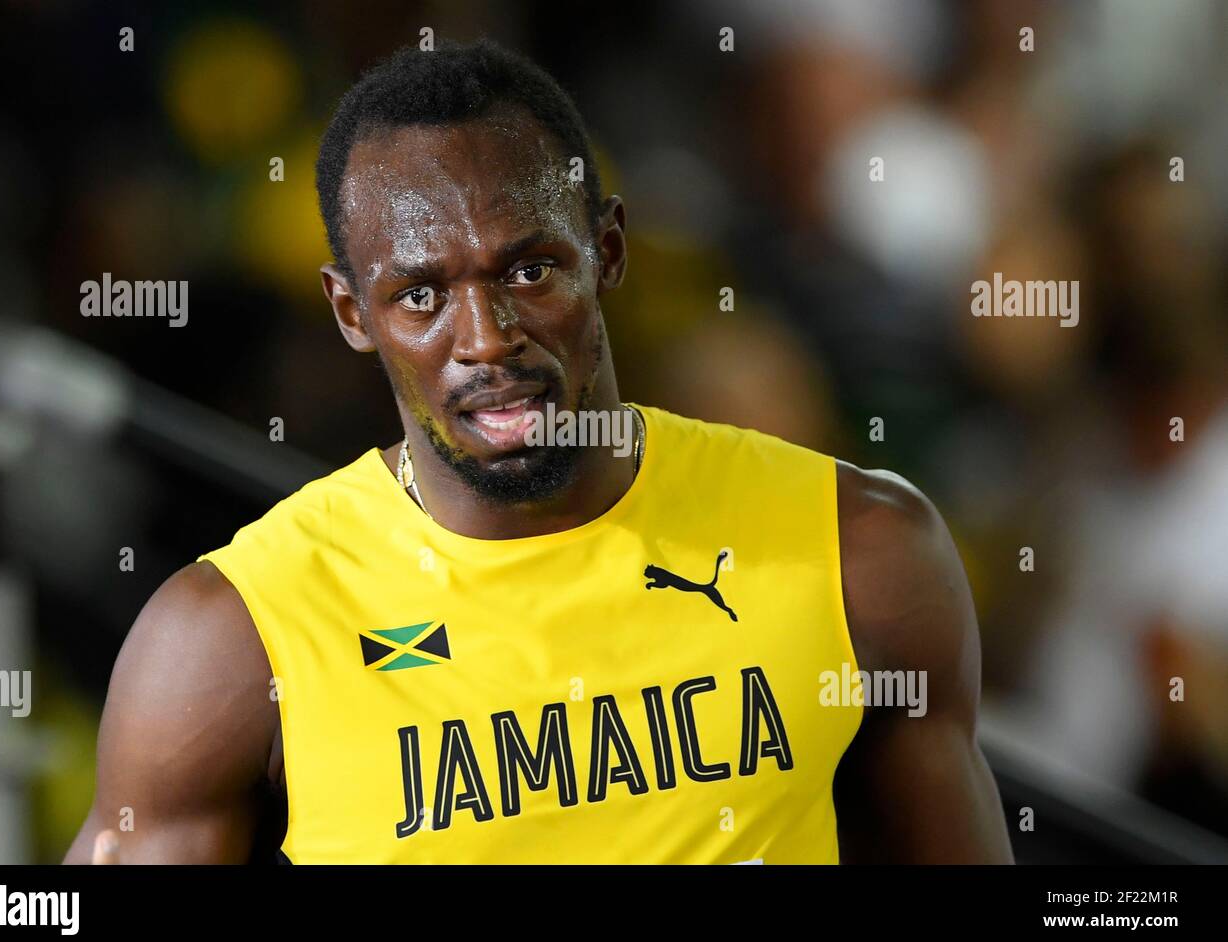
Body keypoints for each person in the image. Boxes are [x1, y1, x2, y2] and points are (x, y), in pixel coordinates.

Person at [66, 40, 1012, 864]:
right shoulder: (232, 640)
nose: (485, 337)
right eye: (421, 296)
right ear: (352, 311)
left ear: (606, 252)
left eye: (528, 269)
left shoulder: (858, 548)